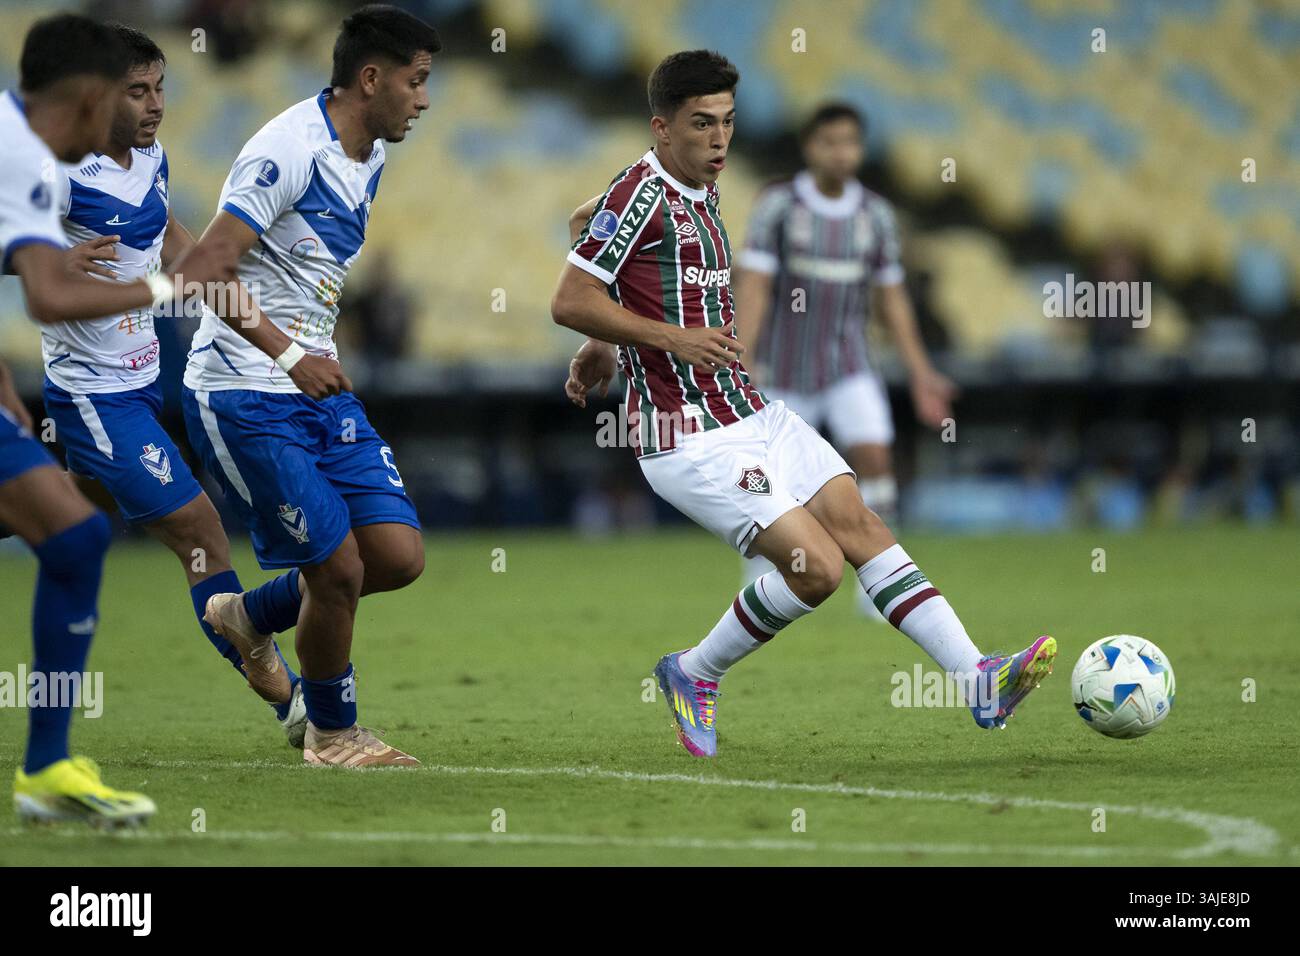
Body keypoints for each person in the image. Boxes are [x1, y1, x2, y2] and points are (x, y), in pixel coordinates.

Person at [554, 50, 1055, 758]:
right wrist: (649, 337)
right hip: (686, 434)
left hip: (752, 410)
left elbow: (586, 227)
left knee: (860, 519)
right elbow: (568, 297)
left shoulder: (694, 181)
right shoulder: (642, 191)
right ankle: (694, 671)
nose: (719, 140)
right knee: (815, 570)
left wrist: (606, 342)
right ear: (661, 128)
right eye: (701, 125)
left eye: (727, 122)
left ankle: (978, 681)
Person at [180, 4, 438, 766]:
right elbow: (203, 267)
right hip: (244, 389)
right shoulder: (289, 149)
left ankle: (247, 615)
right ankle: (331, 732)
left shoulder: (371, 157)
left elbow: (304, 270)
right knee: (338, 569)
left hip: (314, 386)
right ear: (370, 78)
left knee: (395, 556)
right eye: (416, 82)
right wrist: (291, 353)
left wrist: (309, 351)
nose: (424, 99)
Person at [42, 23, 308, 744]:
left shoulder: (150, 155)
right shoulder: (59, 168)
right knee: (201, 532)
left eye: (160, 87)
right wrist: (45, 261)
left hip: (144, 380)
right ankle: (292, 700)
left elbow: (160, 234)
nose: (155, 103)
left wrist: (211, 264)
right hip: (92, 396)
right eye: (138, 91)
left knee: (61, 507)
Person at [2, 13, 235, 824]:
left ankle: (47, 768)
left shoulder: (30, 151)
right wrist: (168, 288)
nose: (144, 114)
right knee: (83, 533)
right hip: (92, 387)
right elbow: (50, 297)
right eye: (130, 95)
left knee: (72, 533)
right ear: (95, 97)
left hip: (95, 392)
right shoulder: (23, 155)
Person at [733, 102, 956, 618]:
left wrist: (921, 371)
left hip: (850, 363)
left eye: (850, 142)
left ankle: (876, 587)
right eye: (829, 142)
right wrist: (741, 355)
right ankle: (764, 569)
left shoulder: (875, 215)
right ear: (810, 147)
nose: (841, 152)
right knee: (770, 475)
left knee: (874, 455)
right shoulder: (780, 206)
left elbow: (892, 296)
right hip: (786, 366)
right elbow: (757, 284)